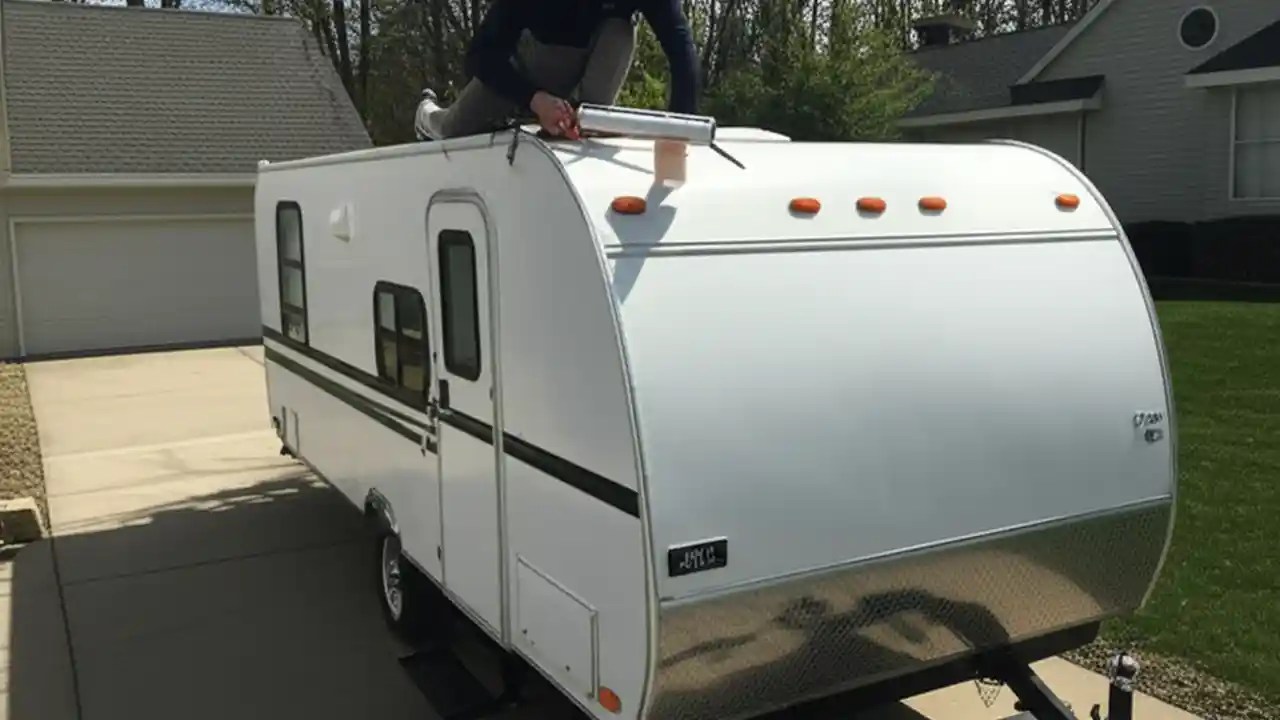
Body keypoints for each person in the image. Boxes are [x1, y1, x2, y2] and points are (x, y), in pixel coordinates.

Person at [413, 0, 699, 141]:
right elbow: (479, 56)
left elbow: (681, 50)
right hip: (534, 66)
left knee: (620, 29)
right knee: (453, 127)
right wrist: (534, 99)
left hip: (596, 55)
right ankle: (427, 114)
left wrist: (680, 134)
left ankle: (590, 116)